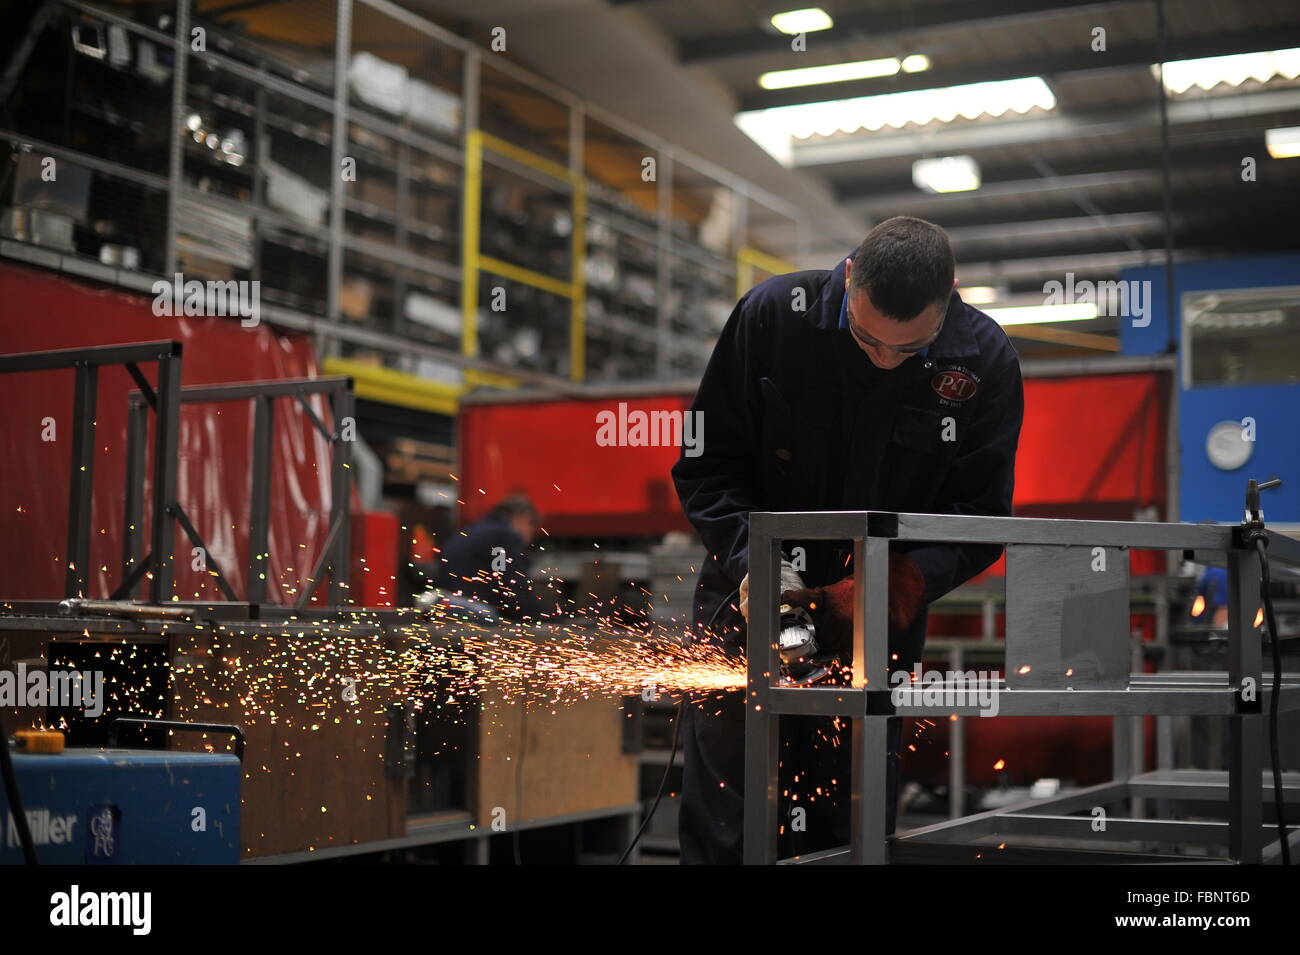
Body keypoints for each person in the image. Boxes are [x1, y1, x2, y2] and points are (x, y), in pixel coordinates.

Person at [671, 216, 1025, 864]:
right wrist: (764, 569)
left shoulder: (987, 362)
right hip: (749, 607)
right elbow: (706, 466)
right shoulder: (773, 317)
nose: (882, 357)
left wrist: (880, 590)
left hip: (872, 629)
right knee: (731, 816)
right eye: (865, 336)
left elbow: (979, 518)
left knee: (849, 819)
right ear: (850, 274)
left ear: (948, 303)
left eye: (907, 349)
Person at [433, 495, 554, 620]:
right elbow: (510, 584)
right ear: (524, 519)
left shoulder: (476, 530)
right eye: (532, 529)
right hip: (474, 608)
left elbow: (498, 570)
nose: (531, 538)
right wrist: (537, 617)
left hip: (448, 601)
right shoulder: (504, 537)